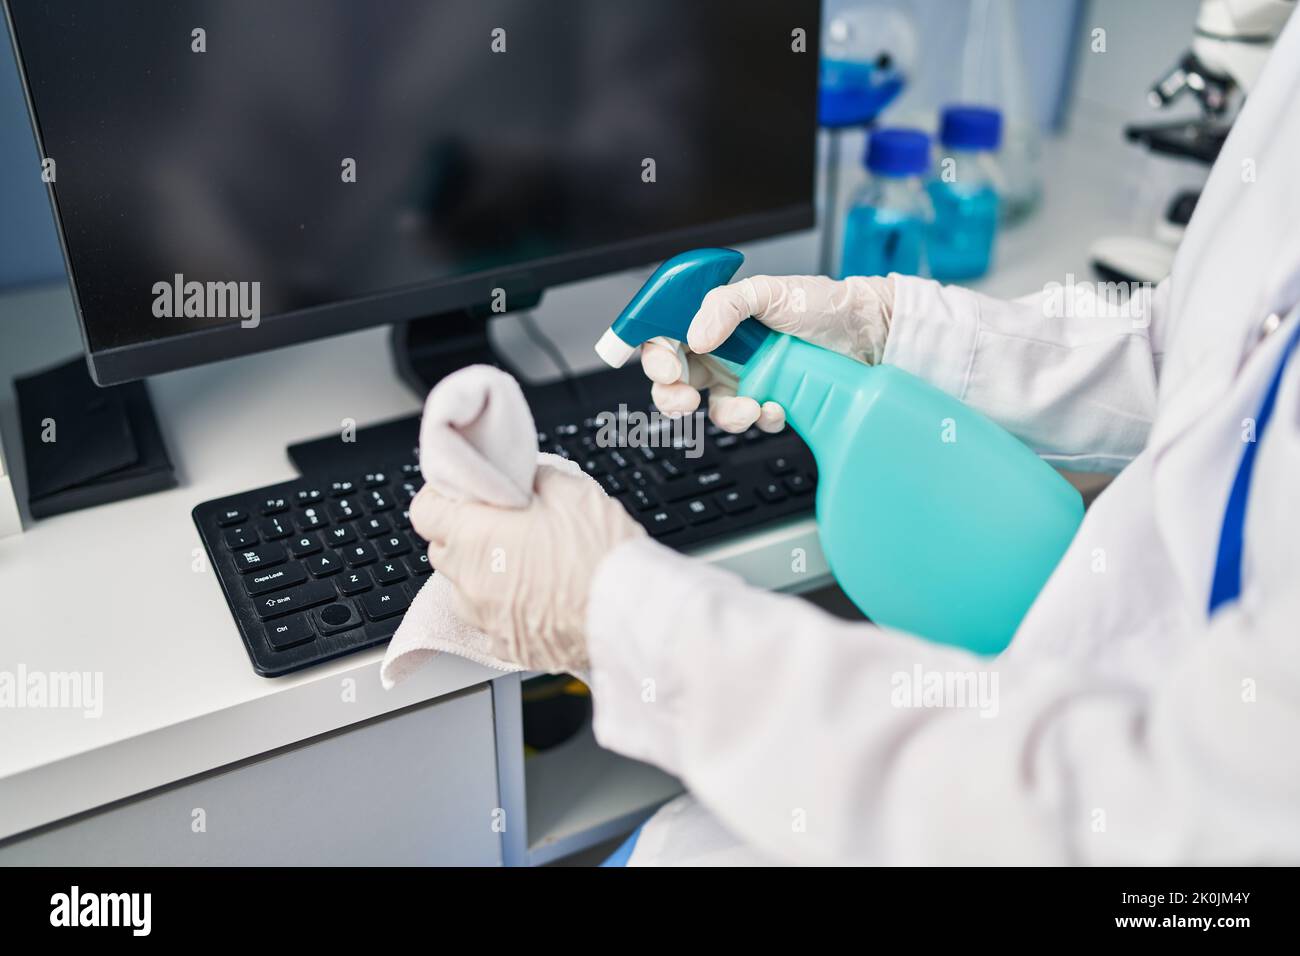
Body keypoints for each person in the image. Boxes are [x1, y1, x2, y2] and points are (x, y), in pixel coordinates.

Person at [412, 15, 1300, 865]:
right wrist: (888, 330)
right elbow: (1204, 351)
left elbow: (1165, 821)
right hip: (1059, 717)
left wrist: (613, 615)